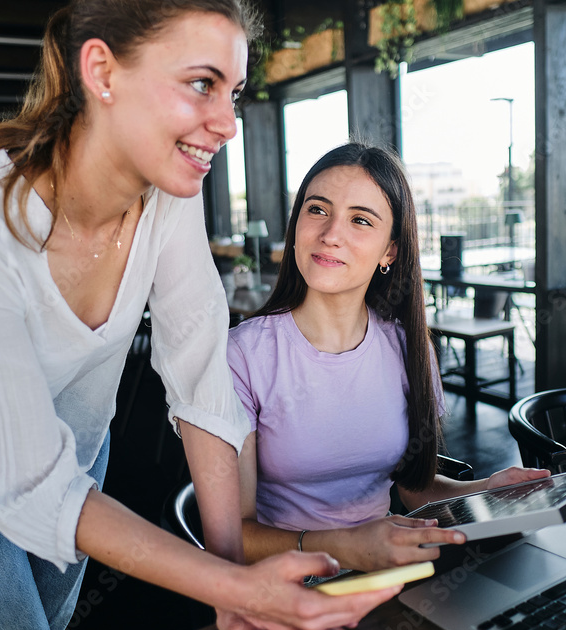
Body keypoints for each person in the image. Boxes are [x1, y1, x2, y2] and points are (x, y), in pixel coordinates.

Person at [0, 0, 398, 630]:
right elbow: (25, 480)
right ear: (102, 71)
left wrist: (234, 584)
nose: (228, 122)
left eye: (235, 92)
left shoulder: (169, 198)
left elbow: (202, 378)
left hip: (77, 460)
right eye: (203, 84)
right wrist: (236, 584)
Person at [228, 143, 549, 572]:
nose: (331, 234)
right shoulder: (243, 355)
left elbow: (415, 490)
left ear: (390, 252)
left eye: (360, 220)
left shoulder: (406, 349)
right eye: (317, 210)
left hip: (389, 578)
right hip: (285, 590)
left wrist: (484, 489)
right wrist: (344, 547)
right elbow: (233, 538)